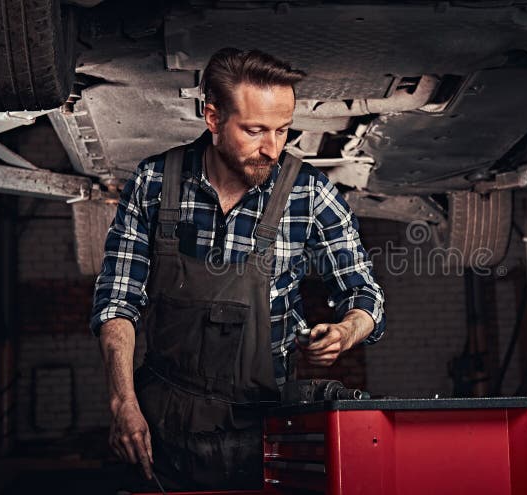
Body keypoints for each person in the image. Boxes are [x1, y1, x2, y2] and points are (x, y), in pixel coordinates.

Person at [90, 48, 386, 490]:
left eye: (283, 130)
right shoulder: (154, 182)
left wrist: (347, 332)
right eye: (255, 130)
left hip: (266, 433)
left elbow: (364, 293)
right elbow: (117, 299)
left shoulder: (309, 194)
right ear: (212, 118)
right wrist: (123, 402)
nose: (272, 147)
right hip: (159, 427)